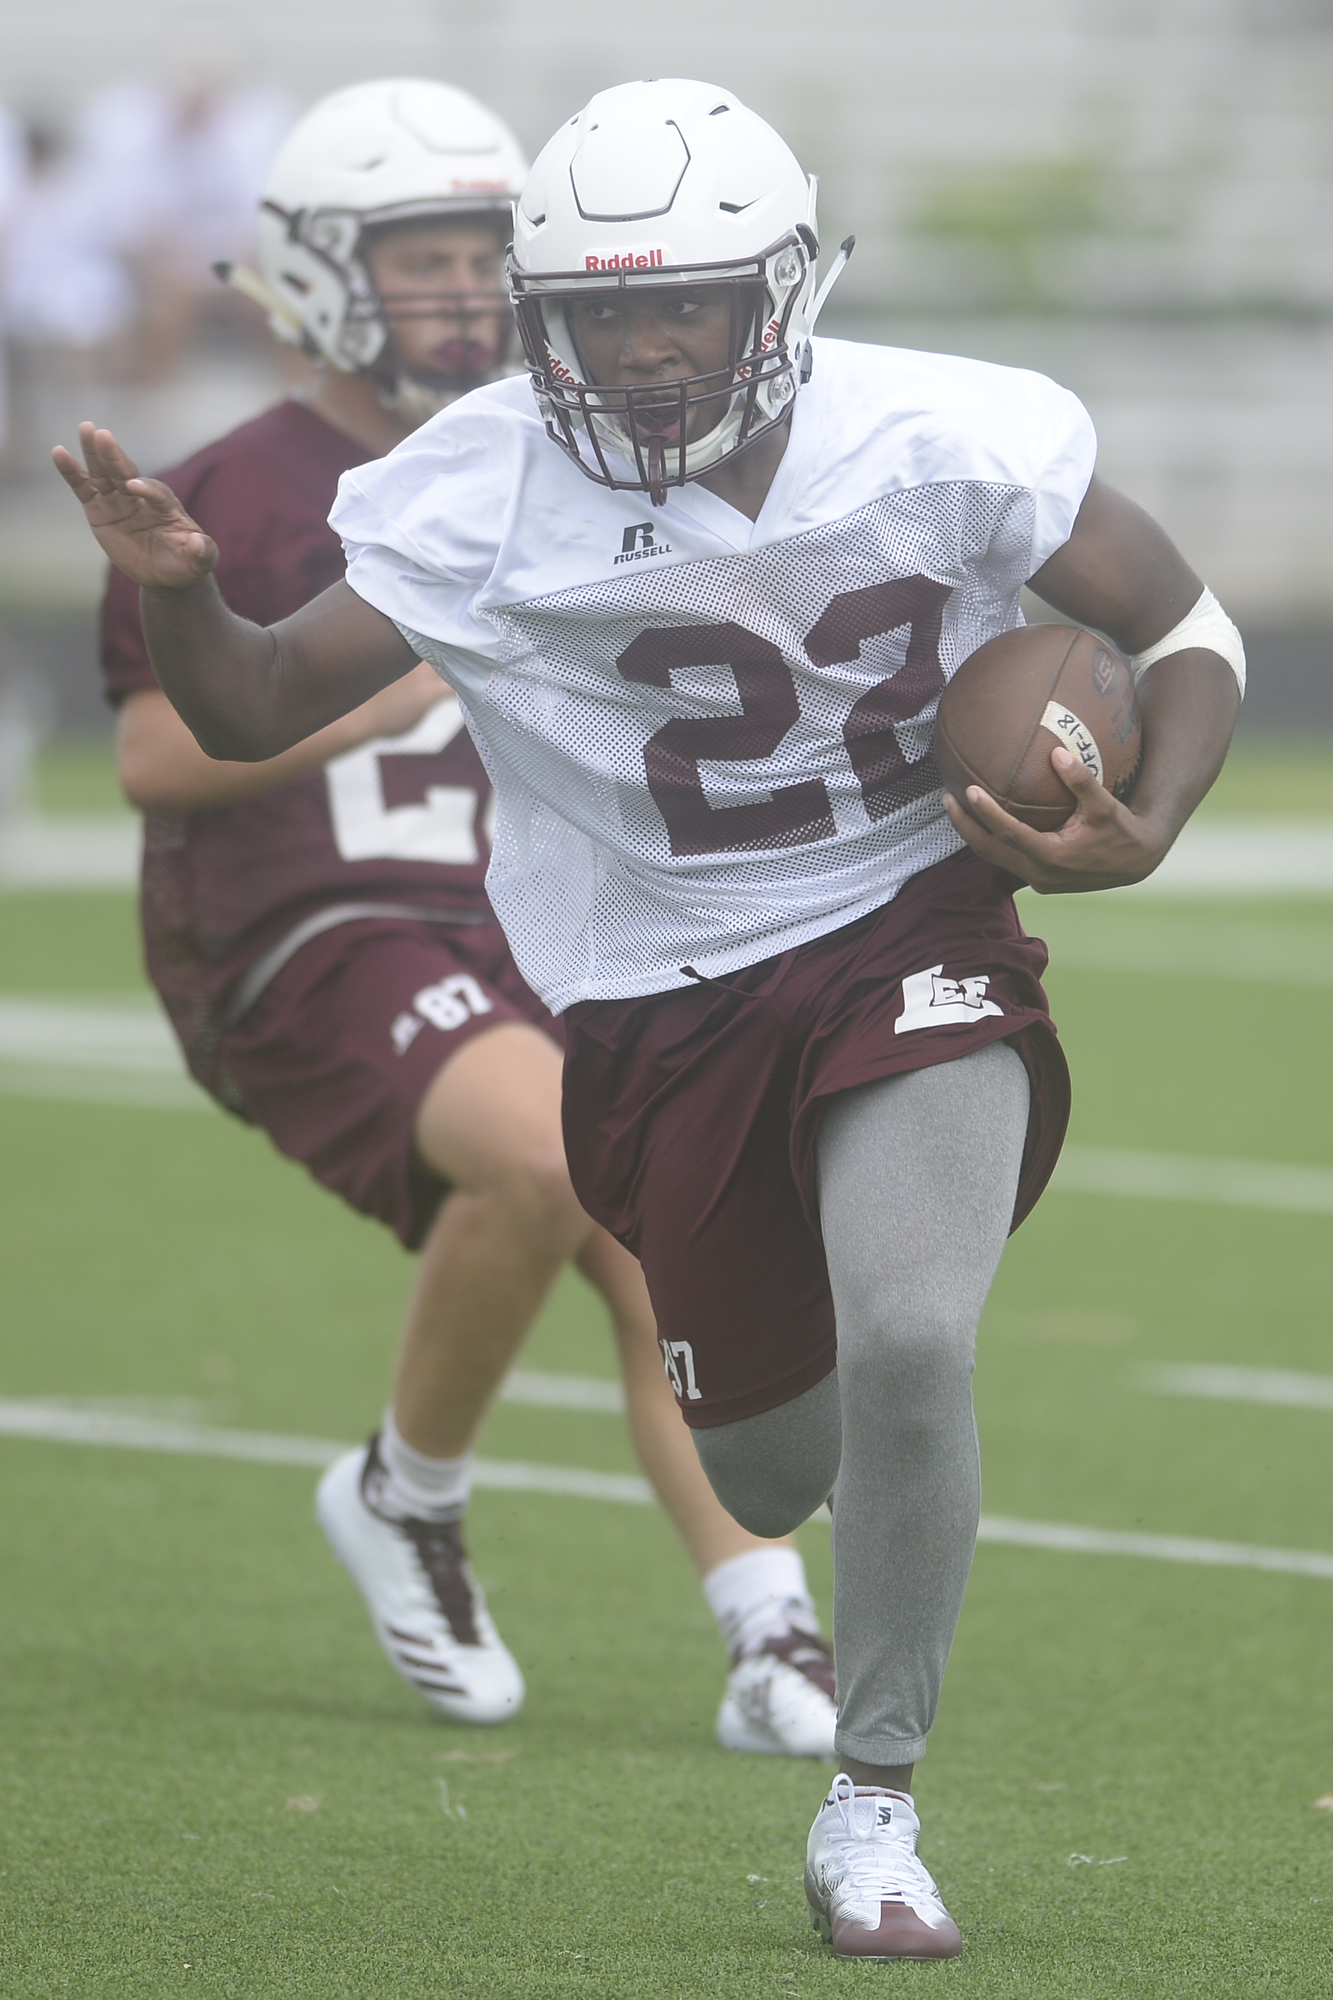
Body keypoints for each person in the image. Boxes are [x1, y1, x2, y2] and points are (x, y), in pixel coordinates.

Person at [56, 76, 1245, 1962]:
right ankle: (792, 1544)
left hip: (904, 921)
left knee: (915, 1335)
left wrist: (1145, 819)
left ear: (776, 293)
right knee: (775, 1463)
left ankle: (873, 1803)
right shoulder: (476, 478)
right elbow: (258, 709)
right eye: (602, 311)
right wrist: (193, 606)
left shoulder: (942, 428)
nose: (643, 346)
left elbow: (1186, 632)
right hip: (655, 995)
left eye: (680, 301)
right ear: (547, 320)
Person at [92, 78, 839, 1761]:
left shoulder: (548, 458)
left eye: (471, 254)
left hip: (526, 924)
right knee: (548, 1162)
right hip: (305, 928)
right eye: (414, 253)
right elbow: (152, 753)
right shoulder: (242, 484)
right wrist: (388, 678)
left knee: (671, 1253)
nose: (454, 288)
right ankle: (403, 1494)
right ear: (311, 270)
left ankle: (766, 1624)